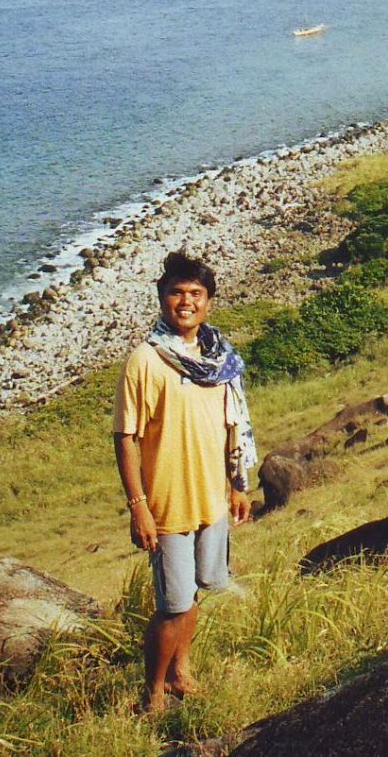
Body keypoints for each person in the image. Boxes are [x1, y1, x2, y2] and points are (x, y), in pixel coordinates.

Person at [113, 251, 256, 713]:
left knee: (196, 590)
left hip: (212, 498)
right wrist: (138, 506)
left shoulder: (220, 359)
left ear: (209, 302)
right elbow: (126, 438)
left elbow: (234, 426)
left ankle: (181, 672)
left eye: (196, 294)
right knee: (173, 603)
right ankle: (152, 691)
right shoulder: (145, 360)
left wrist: (238, 485)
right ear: (162, 298)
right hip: (167, 505)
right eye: (177, 292)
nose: (186, 301)